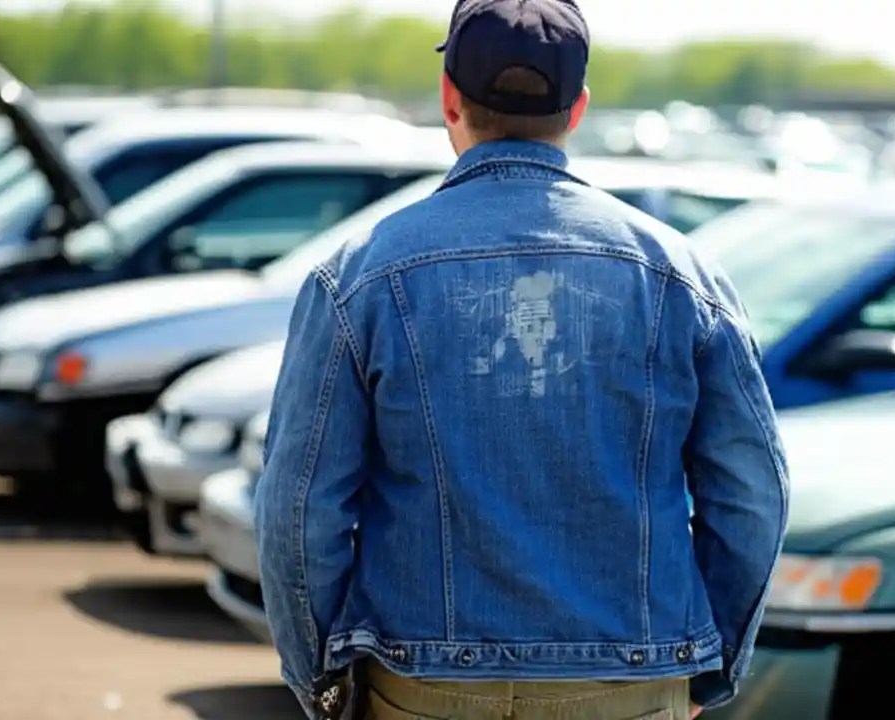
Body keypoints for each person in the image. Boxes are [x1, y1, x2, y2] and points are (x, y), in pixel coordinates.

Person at [253, 1, 789, 718]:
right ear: (578, 109)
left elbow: (298, 514)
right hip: (631, 686)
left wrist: (319, 678)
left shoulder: (360, 275)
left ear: (449, 98)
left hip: (425, 686)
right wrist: (706, 662)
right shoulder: (681, 274)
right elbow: (752, 495)